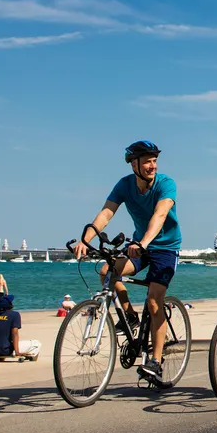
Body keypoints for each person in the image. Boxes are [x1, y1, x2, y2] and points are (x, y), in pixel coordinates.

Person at [74, 139, 182, 387]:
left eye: (154, 161)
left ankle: (155, 360)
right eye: (147, 162)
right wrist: (85, 240)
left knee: (155, 300)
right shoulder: (124, 185)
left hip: (165, 247)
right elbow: (106, 213)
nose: (152, 166)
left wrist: (143, 242)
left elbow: (160, 214)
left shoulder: (166, 184)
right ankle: (130, 317)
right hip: (140, 246)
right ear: (134, 164)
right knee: (107, 271)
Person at [0, 294, 40, 359]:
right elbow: (14, 333)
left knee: (2, 340)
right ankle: (33, 359)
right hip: (5, 350)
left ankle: (1, 358)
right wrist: (17, 352)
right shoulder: (14, 315)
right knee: (36, 343)